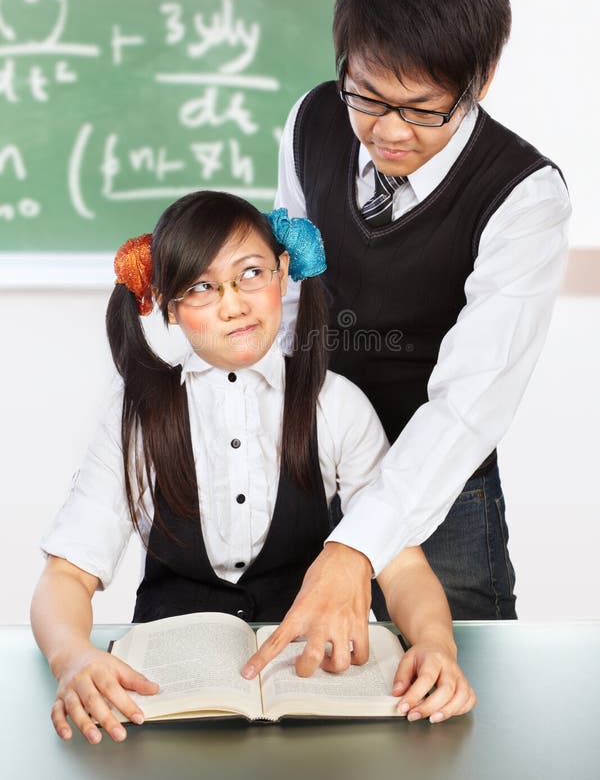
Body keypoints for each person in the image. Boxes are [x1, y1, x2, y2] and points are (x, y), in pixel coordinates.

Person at [31, 190, 475, 744]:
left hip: (310, 692)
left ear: (284, 273)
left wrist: (436, 645)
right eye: (200, 287)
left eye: (250, 274)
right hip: (166, 703)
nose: (233, 304)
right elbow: (66, 575)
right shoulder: (138, 416)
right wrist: (72, 657)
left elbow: (403, 567)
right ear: (166, 304)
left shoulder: (334, 403)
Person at [243, 0, 571, 678]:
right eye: (368, 96)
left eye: (421, 109)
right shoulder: (313, 121)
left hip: (445, 490)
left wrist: (358, 542)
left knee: (456, 692)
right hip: (315, 462)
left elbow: (470, 403)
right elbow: (293, 302)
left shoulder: (523, 196)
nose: (388, 130)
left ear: (479, 81)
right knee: (299, 685)